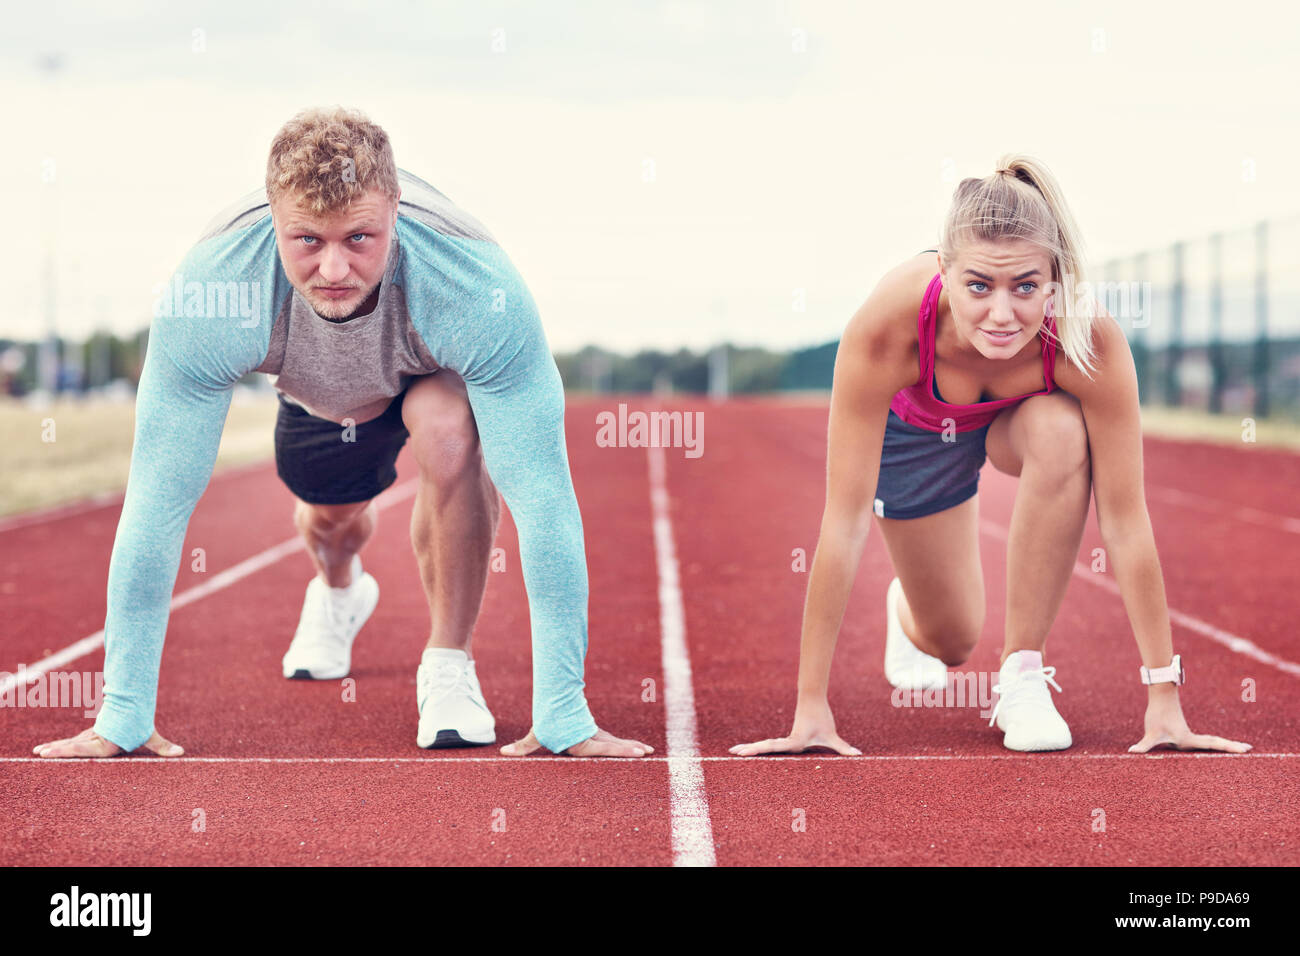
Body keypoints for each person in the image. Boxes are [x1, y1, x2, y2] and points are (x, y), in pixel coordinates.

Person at [33, 106, 652, 760]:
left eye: (359, 238)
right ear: (272, 219)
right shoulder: (211, 293)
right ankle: (339, 589)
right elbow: (156, 503)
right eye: (307, 241)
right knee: (330, 521)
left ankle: (448, 665)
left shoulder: (475, 286)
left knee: (450, 433)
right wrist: (123, 712)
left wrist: (564, 712)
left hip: (427, 373)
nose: (333, 269)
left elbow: (543, 498)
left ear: (396, 211)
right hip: (315, 395)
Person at [732, 155, 1251, 756]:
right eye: (979, 286)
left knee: (1061, 428)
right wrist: (811, 707)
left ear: (1054, 278)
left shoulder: (1087, 339)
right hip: (918, 437)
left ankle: (1022, 677)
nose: (1002, 316)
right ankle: (910, 606)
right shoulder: (885, 331)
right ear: (944, 269)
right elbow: (844, 521)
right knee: (951, 641)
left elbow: (1126, 519)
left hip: (1014, 426)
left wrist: (1165, 700)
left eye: (1026, 287)